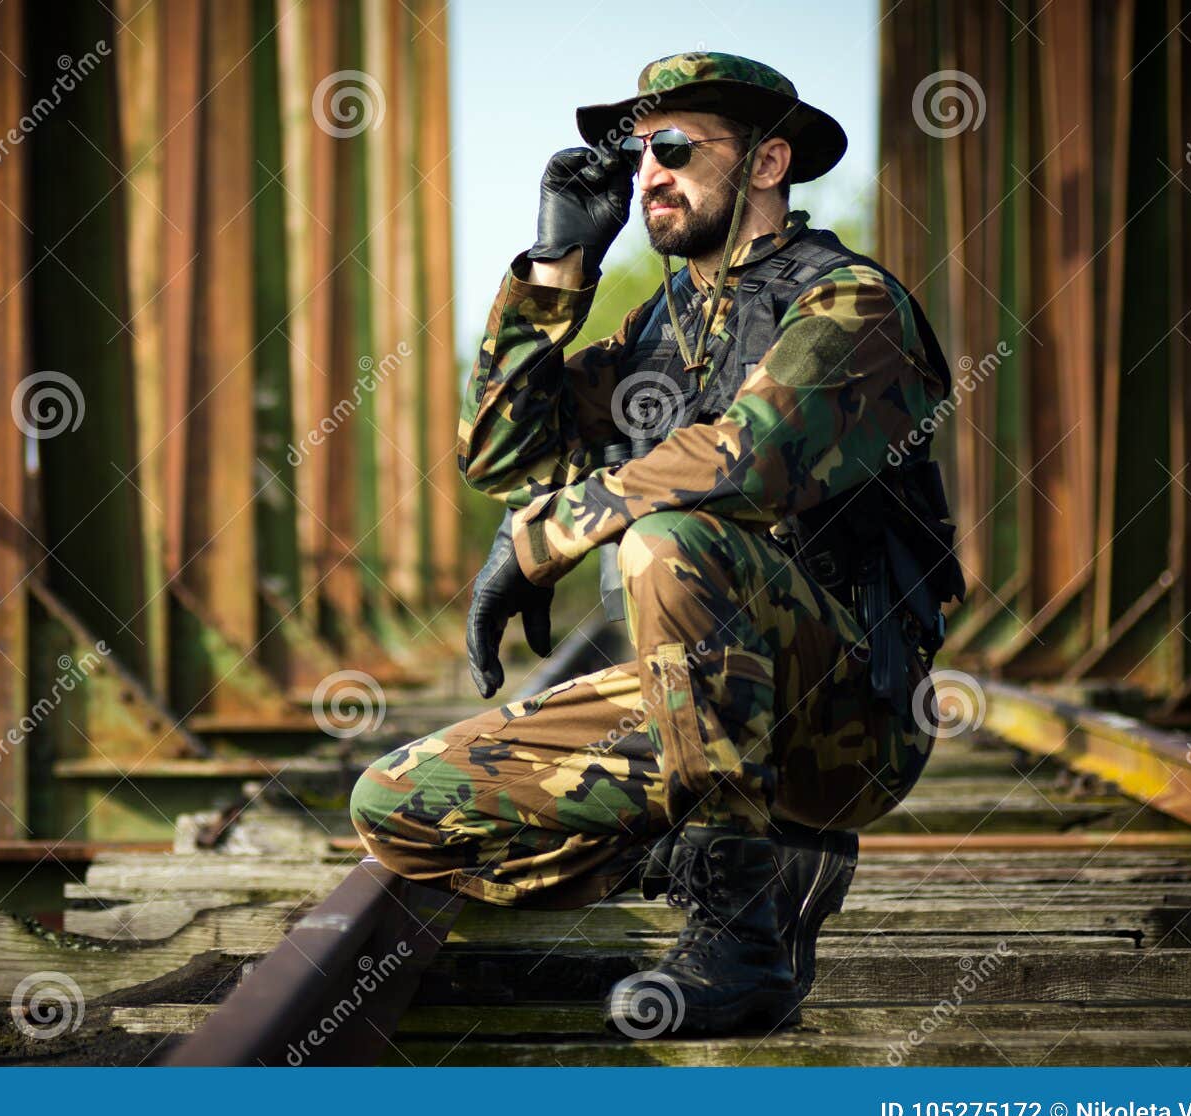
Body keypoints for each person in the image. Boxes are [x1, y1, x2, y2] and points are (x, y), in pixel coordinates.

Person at [350, 51, 964, 1037]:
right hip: (700, 702)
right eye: (638, 153)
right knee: (396, 805)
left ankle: (742, 936)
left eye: (674, 148)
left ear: (766, 165)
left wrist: (547, 534)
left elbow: (748, 456)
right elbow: (504, 452)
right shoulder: (664, 329)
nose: (647, 174)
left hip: (845, 709)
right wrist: (555, 270)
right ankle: (719, 840)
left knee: (667, 541)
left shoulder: (851, 306)